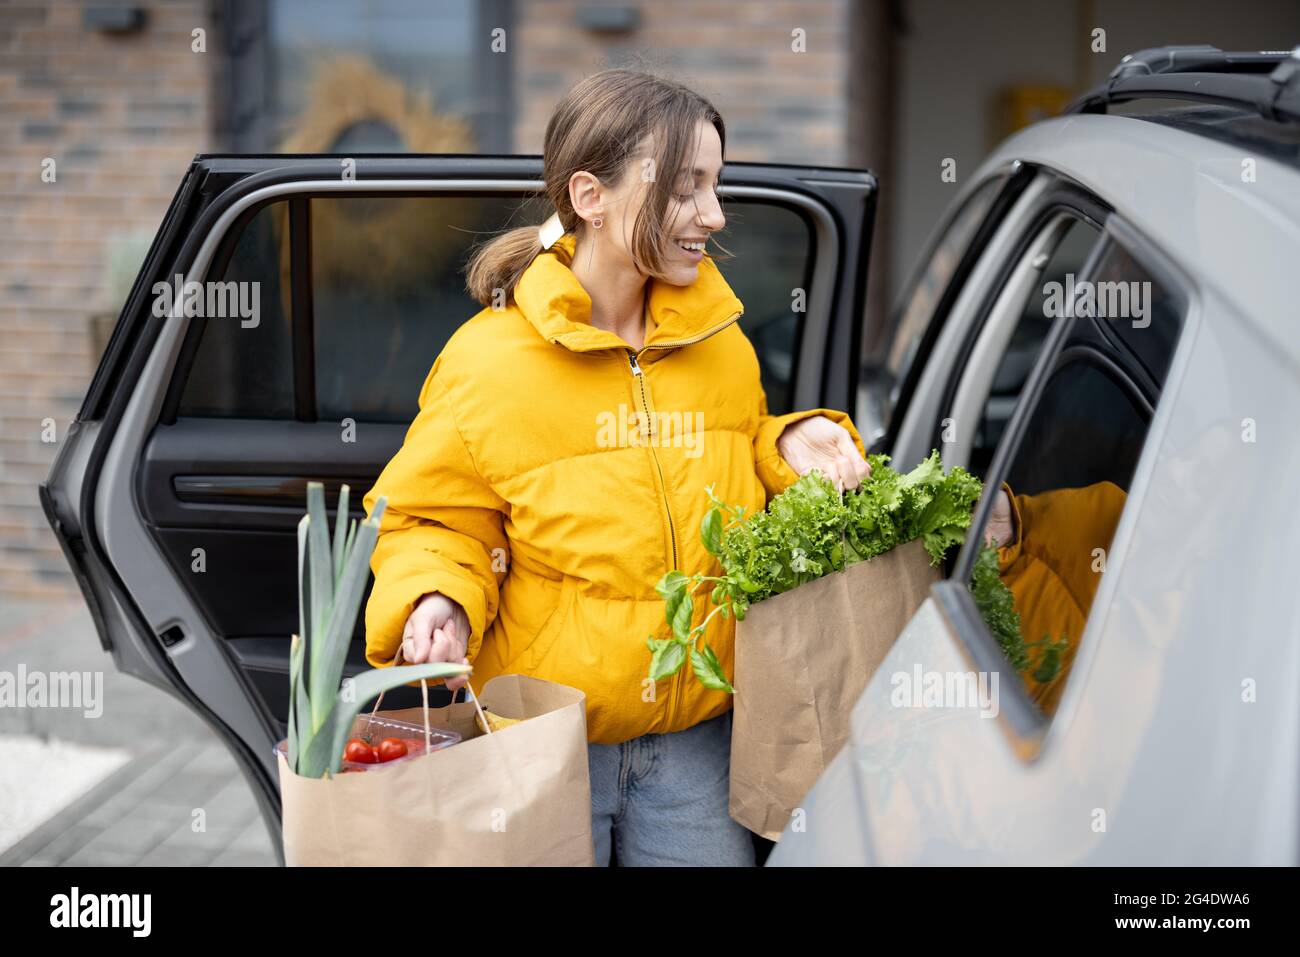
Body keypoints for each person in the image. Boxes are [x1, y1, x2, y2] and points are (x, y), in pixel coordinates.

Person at [361, 69, 870, 866]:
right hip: (544, 744)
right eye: (685, 189)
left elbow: (728, 457)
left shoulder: (720, 342)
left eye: (716, 185)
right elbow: (434, 518)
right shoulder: (486, 363)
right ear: (590, 196)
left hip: (697, 745)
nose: (715, 214)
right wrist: (438, 595)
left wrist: (786, 441)